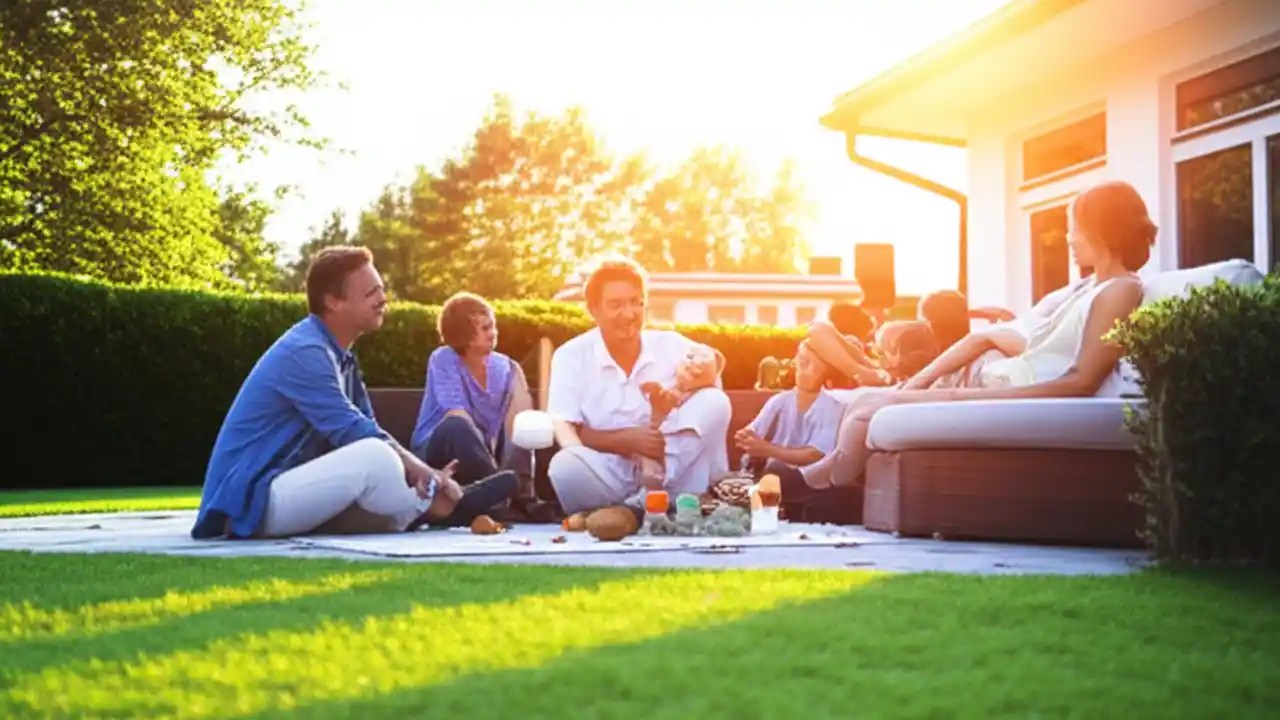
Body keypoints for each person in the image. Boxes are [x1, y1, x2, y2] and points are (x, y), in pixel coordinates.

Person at [804, 179, 1155, 490]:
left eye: (1075, 227)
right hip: (1000, 378)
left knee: (868, 410)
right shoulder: (1088, 287)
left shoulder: (1120, 291)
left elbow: (1081, 380)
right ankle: (821, 484)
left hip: (1012, 390)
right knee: (867, 403)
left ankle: (818, 488)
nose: (1068, 237)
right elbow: (1037, 346)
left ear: (1101, 230)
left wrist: (971, 396)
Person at [191, 246, 516, 539]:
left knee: (381, 489)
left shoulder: (342, 358)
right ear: (334, 301)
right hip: (250, 501)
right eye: (371, 293)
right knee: (375, 458)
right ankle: (437, 504)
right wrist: (425, 473)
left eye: (382, 290)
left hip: (286, 491)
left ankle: (432, 507)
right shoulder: (305, 352)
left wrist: (418, 473)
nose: (383, 299)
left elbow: (370, 426)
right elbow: (354, 432)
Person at [545, 256, 732, 518]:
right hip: (608, 471)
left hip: (670, 466)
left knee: (715, 402)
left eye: (636, 303)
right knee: (564, 466)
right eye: (616, 305)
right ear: (593, 309)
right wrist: (625, 441)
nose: (629, 314)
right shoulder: (571, 356)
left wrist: (707, 366)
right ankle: (637, 506)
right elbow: (565, 424)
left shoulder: (669, 344)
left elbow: (714, 363)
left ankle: (644, 500)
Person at [411, 291, 558, 521]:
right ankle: (499, 498)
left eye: (493, 326)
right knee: (457, 425)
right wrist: (494, 473)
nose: (493, 334)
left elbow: (516, 428)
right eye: (485, 329)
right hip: (439, 454)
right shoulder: (444, 358)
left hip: (483, 463)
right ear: (464, 336)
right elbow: (455, 412)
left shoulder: (508, 368)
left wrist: (523, 484)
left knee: (525, 426)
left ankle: (504, 500)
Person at [733, 339, 851, 522]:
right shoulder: (780, 401)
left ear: (827, 371)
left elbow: (815, 455)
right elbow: (752, 432)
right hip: (770, 476)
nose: (802, 370)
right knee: (764, 474)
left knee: (776, 471)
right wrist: (747, 439)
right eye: (799, 363)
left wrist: (767, 450)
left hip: (810, 479)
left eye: (809, 365)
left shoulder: (831, 407)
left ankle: (764, 519)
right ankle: (759, 517)